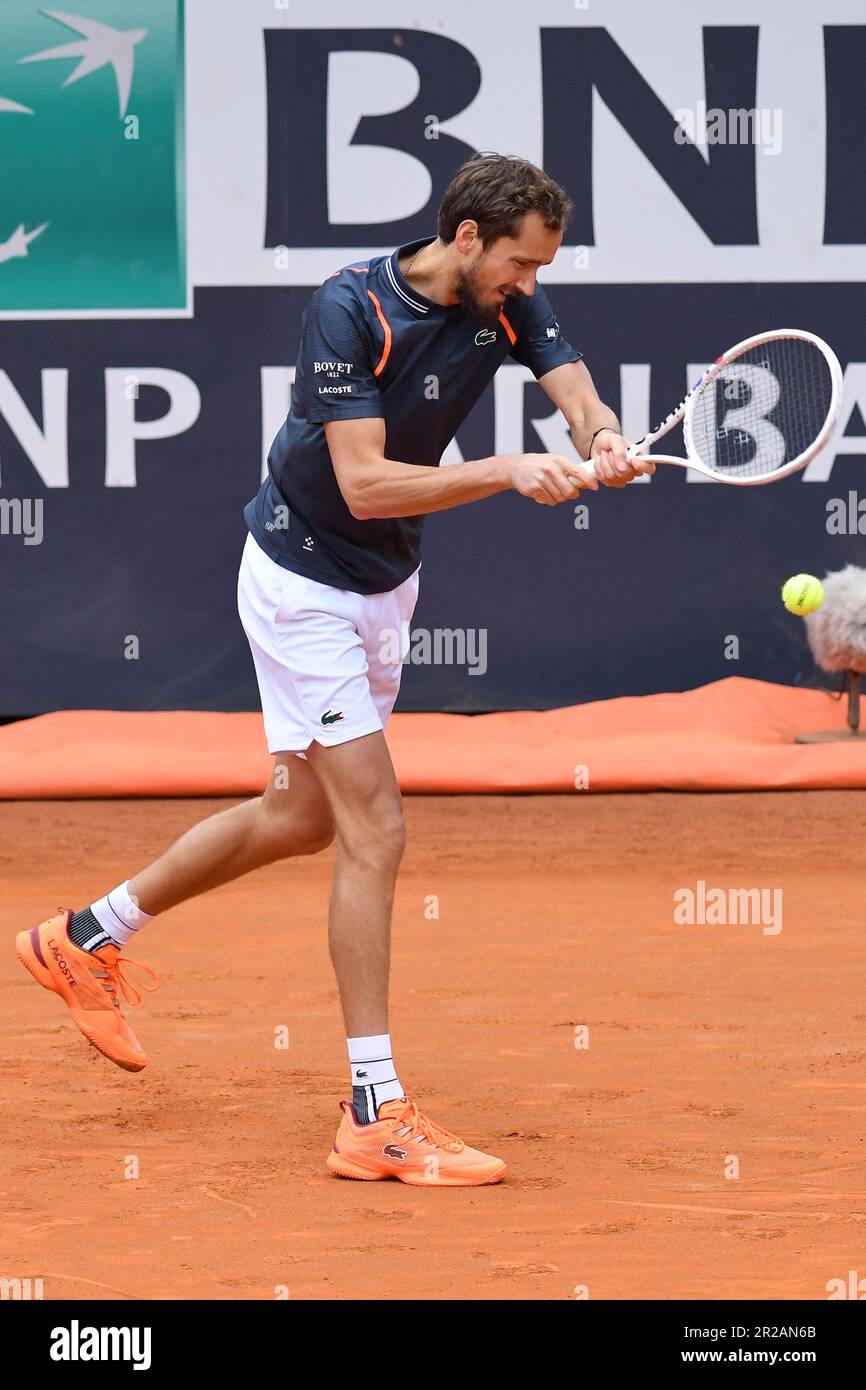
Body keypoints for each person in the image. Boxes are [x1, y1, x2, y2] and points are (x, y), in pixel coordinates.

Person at [17, 153, 653, 1186]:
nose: (529, 284)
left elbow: (569, 385)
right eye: (519, 264)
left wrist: (604, 435)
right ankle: (373, 1112)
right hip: (300, 579)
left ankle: (84, 936)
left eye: (541, 266)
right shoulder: (348, 308)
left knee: (302, 814)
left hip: (381, 589)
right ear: (464, 239)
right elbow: (360, 484)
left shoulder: (510, 300)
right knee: (377, 826)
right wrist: (502, 468)